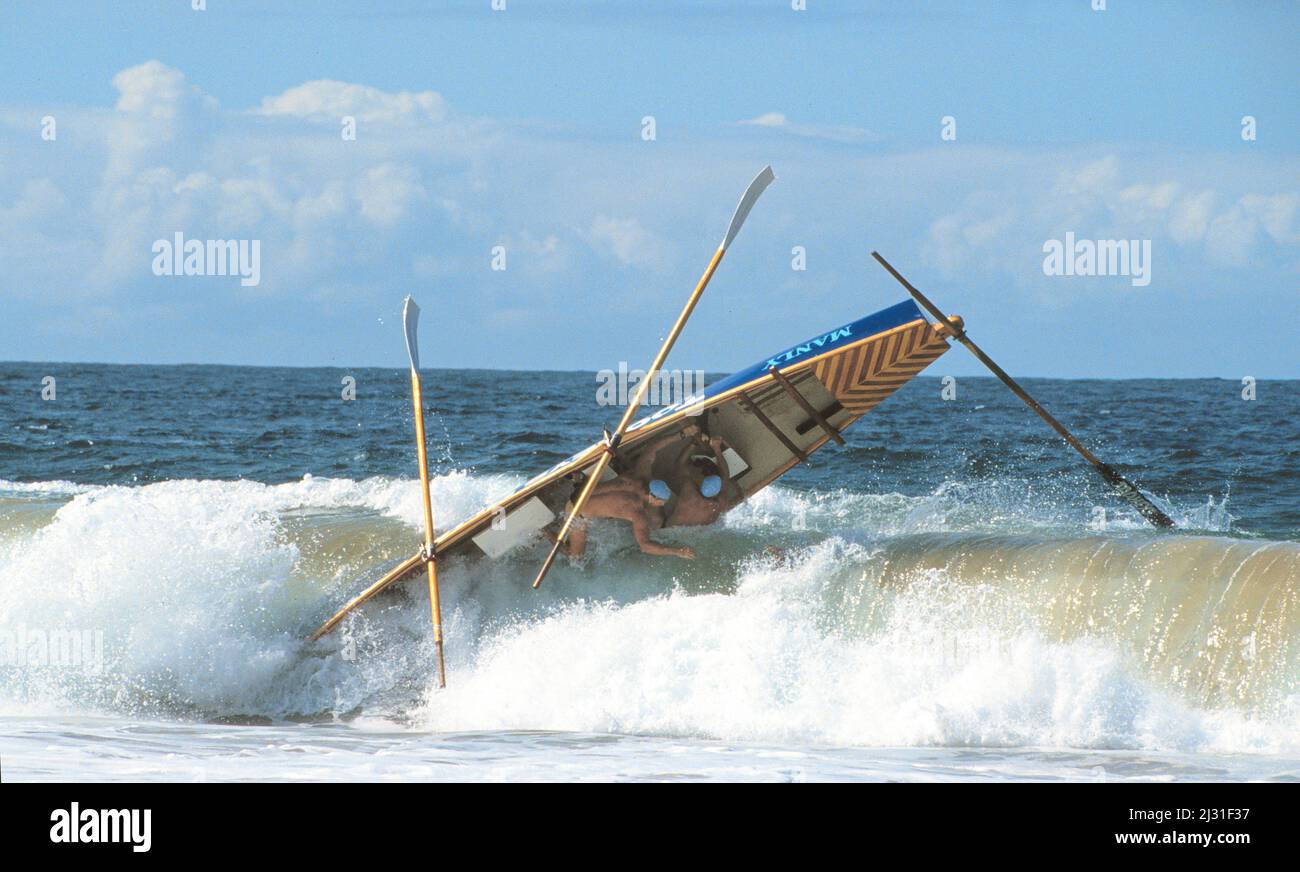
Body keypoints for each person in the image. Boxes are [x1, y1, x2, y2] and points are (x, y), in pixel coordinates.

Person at [546, 428, 697, 560]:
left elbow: (653, 448)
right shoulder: (638, 513)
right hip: (576, 511)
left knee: (613, 490)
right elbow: (645, 546)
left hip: (582, 490)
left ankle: (578, 480)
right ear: (654, 497)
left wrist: (682, 434)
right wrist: (676, 551)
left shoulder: (637, 477)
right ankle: (544, 532)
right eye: (661, 502)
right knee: (576, 556)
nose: (662, 504)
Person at [663, 425, 744, 527]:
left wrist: (694, 443)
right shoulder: (720, 504)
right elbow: (725, 475)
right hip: (696, 532)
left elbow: (679, 464)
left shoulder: (689, 493)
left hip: (671, 529)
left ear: (700, 483)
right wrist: (717, 449)